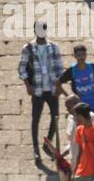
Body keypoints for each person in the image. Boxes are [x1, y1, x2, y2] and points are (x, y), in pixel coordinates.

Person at [18, 20, 63, 165]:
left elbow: (59, 69)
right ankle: (36, 150)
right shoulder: (28, 48)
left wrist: (58, 87)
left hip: (51, 89)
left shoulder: (54, 47)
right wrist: (27, 85)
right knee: (35, 119)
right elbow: (22, 68)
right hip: (37, 90)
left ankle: (47, 143)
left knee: (55, 116)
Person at [57, 43, 94, 115]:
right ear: (74, 56)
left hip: (93, 103)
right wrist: (68, 97)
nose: (81, 57)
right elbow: (57, 83)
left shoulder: (92, 67)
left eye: (83, 54)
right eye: (78, 55)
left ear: (86, 54)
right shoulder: (72, 71)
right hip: (79, 106)